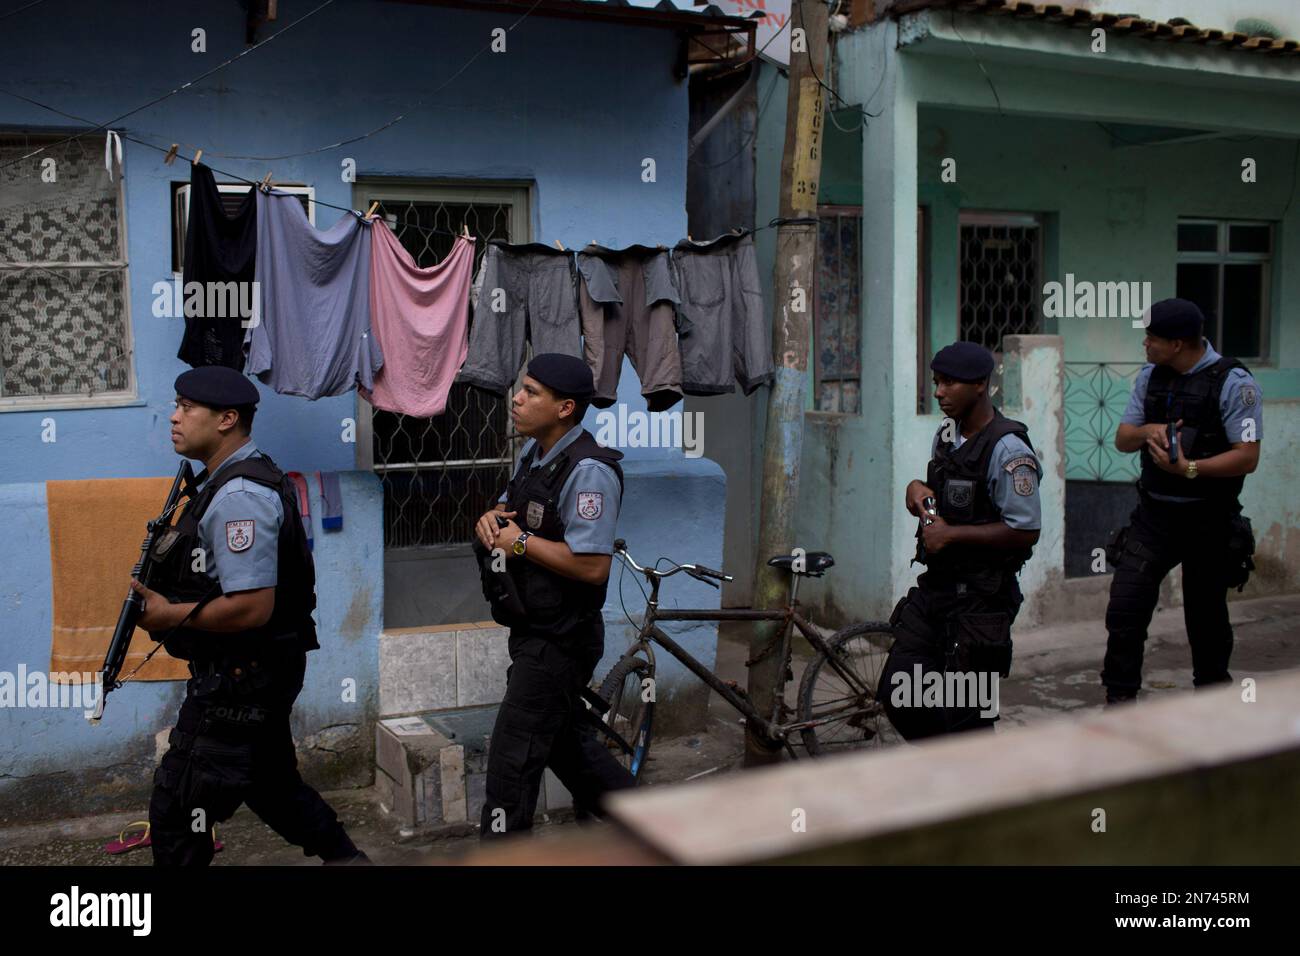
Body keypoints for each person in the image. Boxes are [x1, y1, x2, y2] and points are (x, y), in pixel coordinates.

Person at [131, 366, 368, 865]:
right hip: (252, 673)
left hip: (242, 679)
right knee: (272, 787)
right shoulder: (226, 482)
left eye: (186, 408)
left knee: (178, 808)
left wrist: (169, 615)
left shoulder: (241, 496)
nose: (173, 418)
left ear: (227, 419)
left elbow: (251, 607)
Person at [474, 353, 635, 839]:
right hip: (533, 632)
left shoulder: (589, 472)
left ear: (565, 408)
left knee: (510, 767)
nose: (517, 400)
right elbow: (514, 508)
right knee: (570, 750)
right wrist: (492, 517)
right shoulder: (537, 455)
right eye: (521, 389)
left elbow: (591, 565)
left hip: (561, 641)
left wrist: (518, 542)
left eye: (531, 393)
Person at [1101, 298, 1261, 704]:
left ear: (1177, 344)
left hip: (1210, 518)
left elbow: (1247, 456)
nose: (1145, 345)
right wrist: (1152, 429)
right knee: (1125, 607)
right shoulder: (1150, 377)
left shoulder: (1234, 383)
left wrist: (1189, 469)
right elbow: (1123, 438)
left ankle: (1210, 707)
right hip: (1154, 515)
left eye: (1151, 338)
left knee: (1205, 619)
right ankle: (1120, 704)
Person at [879, 341, 1043, 740]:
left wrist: (951, 534)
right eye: (937, 382)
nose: (939, 392)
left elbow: (1025, 529)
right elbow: (942, 494)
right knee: (898, 691)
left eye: (950, 383)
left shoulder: (1008, 448)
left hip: (981, 601)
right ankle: (948, 772)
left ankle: (973, 787)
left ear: (981, 385)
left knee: (967, 716)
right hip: (936, 591)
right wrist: (917, 490)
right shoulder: (947, 435)